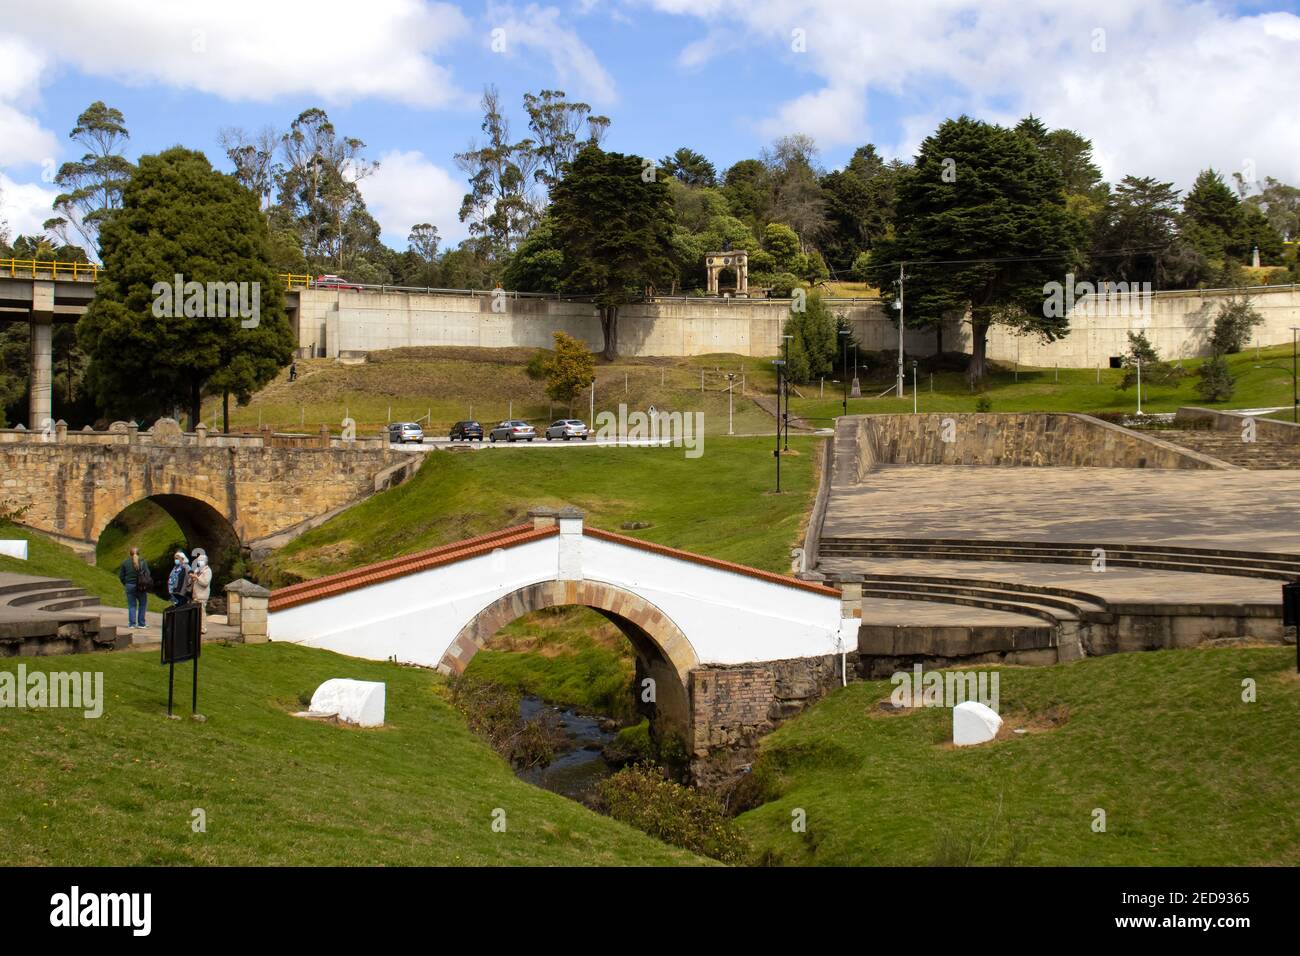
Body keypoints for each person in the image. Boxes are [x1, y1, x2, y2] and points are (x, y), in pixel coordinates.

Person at [117, 546, 150, 629]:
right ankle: (141, 624)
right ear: (138, 553)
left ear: (130, 554)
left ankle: (132, 624)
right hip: (141, 586)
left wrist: (126, 583)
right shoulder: (142, 562)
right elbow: (148, 574)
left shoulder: (125, 562)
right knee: (142, 604)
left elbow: (121, 576)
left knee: (132, 605)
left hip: (129, 585)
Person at [190, 555, 213, 635]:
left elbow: (205, 583)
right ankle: (196, 627)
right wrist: (193, 578)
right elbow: (194, 580)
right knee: (196, 613)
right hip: (195, 595)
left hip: (202, 595)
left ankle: (203, 628)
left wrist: (197, 577)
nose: (199, 562)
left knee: (202, 612)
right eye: (198, 560)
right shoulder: (197, 570)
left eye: (201, 560)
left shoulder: (208, 571)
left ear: (205, 561)